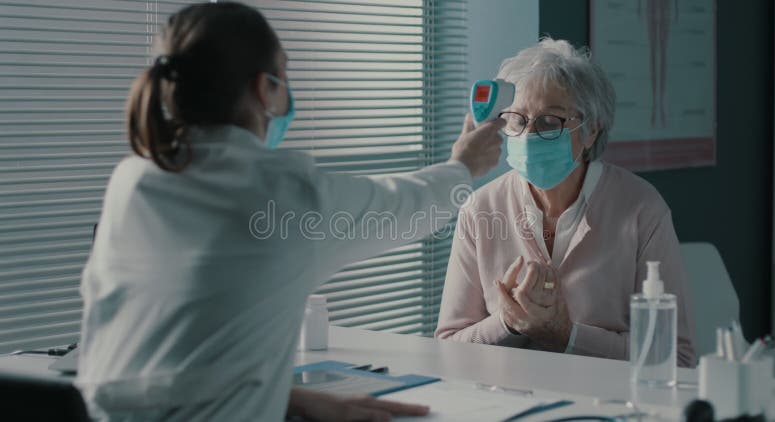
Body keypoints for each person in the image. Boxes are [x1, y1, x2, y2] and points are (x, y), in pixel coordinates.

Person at [75, 3, 504, 421]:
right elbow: (404, 205)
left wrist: (287, 398)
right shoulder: (280, 191)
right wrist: (463, 166)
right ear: (265, 89)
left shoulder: (131, 182)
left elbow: (176, 359)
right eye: (284, 75)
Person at [434, 38, 696, 367]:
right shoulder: (480, 209)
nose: (529, 135)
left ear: (591, 131)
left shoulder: (641, 209)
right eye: (517, 119)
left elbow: (678, 358)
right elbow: (448, 347)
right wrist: (508, 322)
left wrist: (566, 335)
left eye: (549, 122)